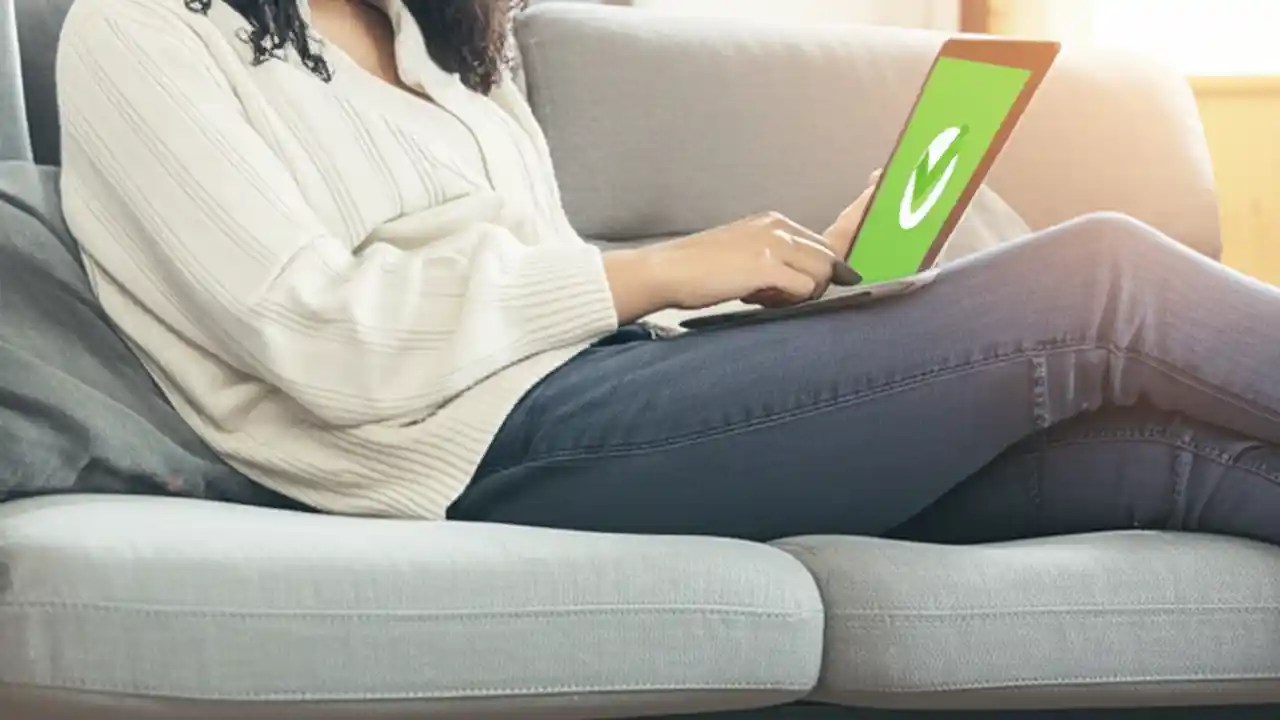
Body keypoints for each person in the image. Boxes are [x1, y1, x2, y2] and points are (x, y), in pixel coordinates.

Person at [57, 0, 1280, 543]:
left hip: (594, 386)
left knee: (1152, 460)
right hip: (457, 455)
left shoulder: (436, 39)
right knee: (1100, 281)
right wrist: (657, 272)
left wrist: (801, 277)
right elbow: (314, 336)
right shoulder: (142, 30)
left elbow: (537, 285)